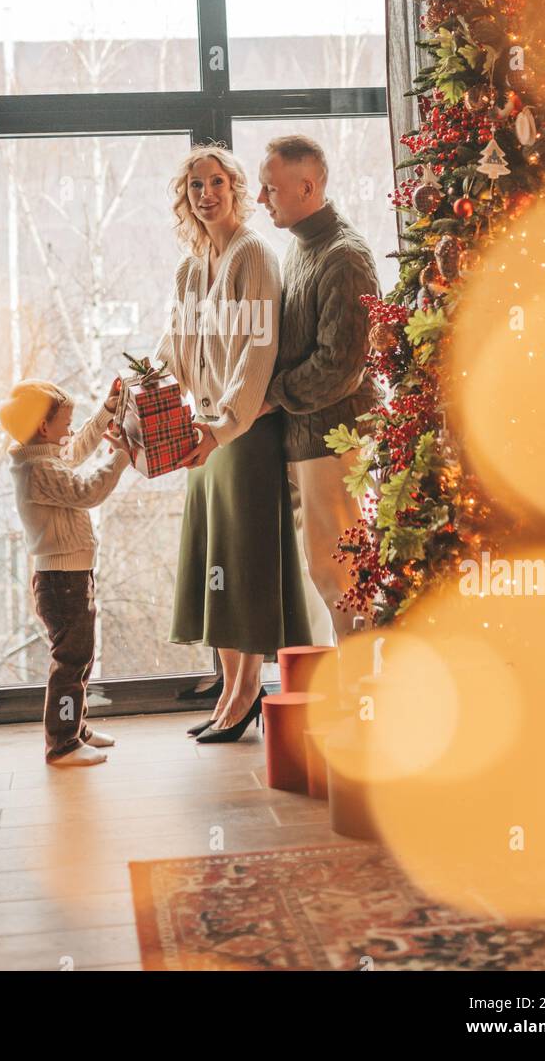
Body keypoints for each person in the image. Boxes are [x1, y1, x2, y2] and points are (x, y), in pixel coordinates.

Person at [154, 145, 311, 742]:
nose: (206, 194)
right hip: (203, 432)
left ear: (235, 187)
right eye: (195, 186)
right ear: (185, 197)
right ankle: (227, 692)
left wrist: (224, 429)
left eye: (216, 182)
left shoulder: (254, 256)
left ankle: (248, 693)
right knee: (214, 561)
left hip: (242, 432)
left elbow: (257, 356)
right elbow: (173, 346)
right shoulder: (192, 267)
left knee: (243, 566)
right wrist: (140, 393)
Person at [256, 134, 383, 640]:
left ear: (306, 187)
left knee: (346, 579)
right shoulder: (301, 249)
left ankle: (364, 699)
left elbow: (340, 365)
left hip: (335, 442)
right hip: (309, 441)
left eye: (270, 189)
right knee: (326, 576)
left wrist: (271, 395)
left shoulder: (344, 258)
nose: (261, 200)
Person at [0, 378, 130, 767]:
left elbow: (78, 448)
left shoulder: (44, 458)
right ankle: (63, 744)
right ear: (43, 427)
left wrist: (106, 411)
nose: (71, 430)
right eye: (66, 423)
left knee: (80, 657)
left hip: (70, 577)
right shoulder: (39, 470)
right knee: (71, 660)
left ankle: (74, 726)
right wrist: (121, 457)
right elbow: (87, 491)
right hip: (62, 582)